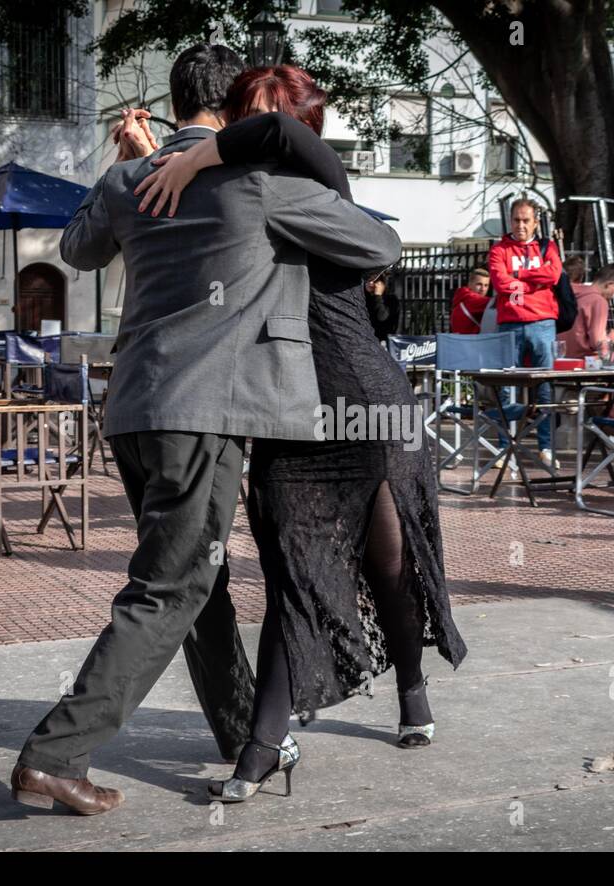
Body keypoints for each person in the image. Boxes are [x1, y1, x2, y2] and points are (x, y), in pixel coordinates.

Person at [12, 47, 407, 815]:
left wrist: (125, 164)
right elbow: (379, 247)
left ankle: (235, 729)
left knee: (198, 578)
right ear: (231, 109)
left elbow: (77, 250)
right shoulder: (257, 181)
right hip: (206, 411)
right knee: (172, 586)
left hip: (134, 409)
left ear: (171, 99)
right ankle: (54, 755)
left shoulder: (132, 180)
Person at [132, 65, 467, 803]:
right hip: (288, 410)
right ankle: (261, 746)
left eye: (252, 115)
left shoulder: (318, 186)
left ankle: (411, 685)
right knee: (294, 574)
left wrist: (194, 153)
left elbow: (277, 134)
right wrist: (159, 156)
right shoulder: (237, 197)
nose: (239, 128)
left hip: (363, 402)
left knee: (386, 561)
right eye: (233, 114)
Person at [488, 197, 562, 469]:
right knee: (505, 387)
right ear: (510, 220)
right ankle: (504, 448)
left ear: (535, 222)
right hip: (509, 323)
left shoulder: (547, 246)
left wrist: (518, 276)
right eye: (516, 220)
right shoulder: (499, 250)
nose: (520, 225)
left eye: (526, 220)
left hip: (543, 323)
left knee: (544, 386)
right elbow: (499, 281)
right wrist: (530, 280)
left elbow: (553, 276)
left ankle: (546, 446)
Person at [560, 258, 614, 359]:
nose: (612, 296)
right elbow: (597, 342)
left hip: (561, 357)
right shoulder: (598, 301)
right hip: (585, 360)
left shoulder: (563, 295)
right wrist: (611, 338)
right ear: (609, 284)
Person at [450, 268, 489, 334]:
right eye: (479, 284)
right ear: (470, 283)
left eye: (486, 285)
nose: (483, 289)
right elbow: (499, 302)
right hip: (470, 342)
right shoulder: (471, 300)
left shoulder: (462, 297)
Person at [364, 270, 401, 341]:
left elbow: (382, 317)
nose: (371, 283)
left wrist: (378, 295)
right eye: (368, 280)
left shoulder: (391, 299)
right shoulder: (364, 297)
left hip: (383, 341)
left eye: (374, 280)